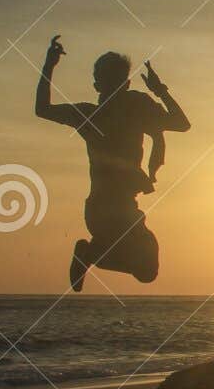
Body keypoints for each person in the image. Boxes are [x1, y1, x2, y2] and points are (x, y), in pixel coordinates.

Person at [34, 35, 191, 291]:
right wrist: (158, 89)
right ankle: (90, 254)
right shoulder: (136, 107)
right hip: (119, 212)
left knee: (146, 268)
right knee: (147, 271)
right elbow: (182, 124)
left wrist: (49, 65)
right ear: (127, 84)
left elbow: (42, 108)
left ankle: (91, 253)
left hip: (100, 211)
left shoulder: (90, 114)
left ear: (97, 85)